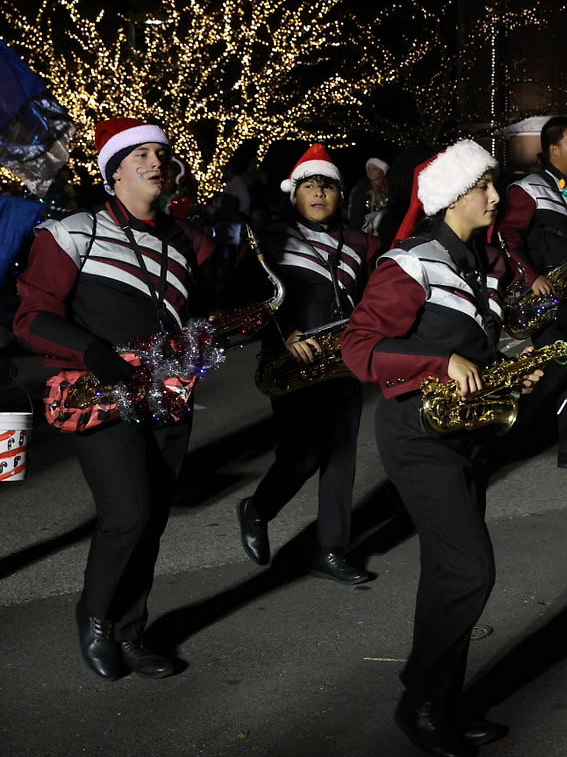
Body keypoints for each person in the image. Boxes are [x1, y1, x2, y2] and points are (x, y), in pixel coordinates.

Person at [342, 139, 542, 757]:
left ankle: (441, 695)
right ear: (452, 195)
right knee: (469, 569)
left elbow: (472, 345)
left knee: (445, 573)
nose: (495, 196)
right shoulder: (412, 261)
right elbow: (358, 350)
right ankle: (420, 702)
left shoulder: (478, 257)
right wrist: (441, 360)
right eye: (483, 186)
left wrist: (510, 365)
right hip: (417, 438)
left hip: (464, 432)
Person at [14, 117, 215, 680]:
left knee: (151, 519)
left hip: (169, 394)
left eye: (162, 152)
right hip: (98, 392)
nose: (157, 161)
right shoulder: (74, 231)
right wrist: (93, 351)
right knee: (127, 513)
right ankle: (96, 618)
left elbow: (204, 308)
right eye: (142, 153)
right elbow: (32, 317)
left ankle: (132, 631)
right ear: (114, 169)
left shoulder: (187, 239)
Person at [235, 144, 377, 585]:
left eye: (328, 185)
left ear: (340, 193)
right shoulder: (272, 241)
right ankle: (258, 508)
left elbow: (375, 301)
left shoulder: (362, 244)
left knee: (342, 459)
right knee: (302, 456)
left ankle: (331, 550)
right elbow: (245, 300)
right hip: (293, 363)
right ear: (293, 194)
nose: (319, 193)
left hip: (343, 363)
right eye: (309, 185)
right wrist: (283, 335)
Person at [496, 116, 567, 472]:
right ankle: (508, 431)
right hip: (547, 301)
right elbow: (507, 238)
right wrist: (531, 277)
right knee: (558, 368)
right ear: (552, 149)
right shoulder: (528, 189)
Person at [349, 156, 390, 235]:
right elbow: (355, 216)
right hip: (366, 233)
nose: (370, 172)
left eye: (374, 169)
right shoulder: (361, 190)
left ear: (382, 171)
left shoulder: (390, 188)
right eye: (368, 169)